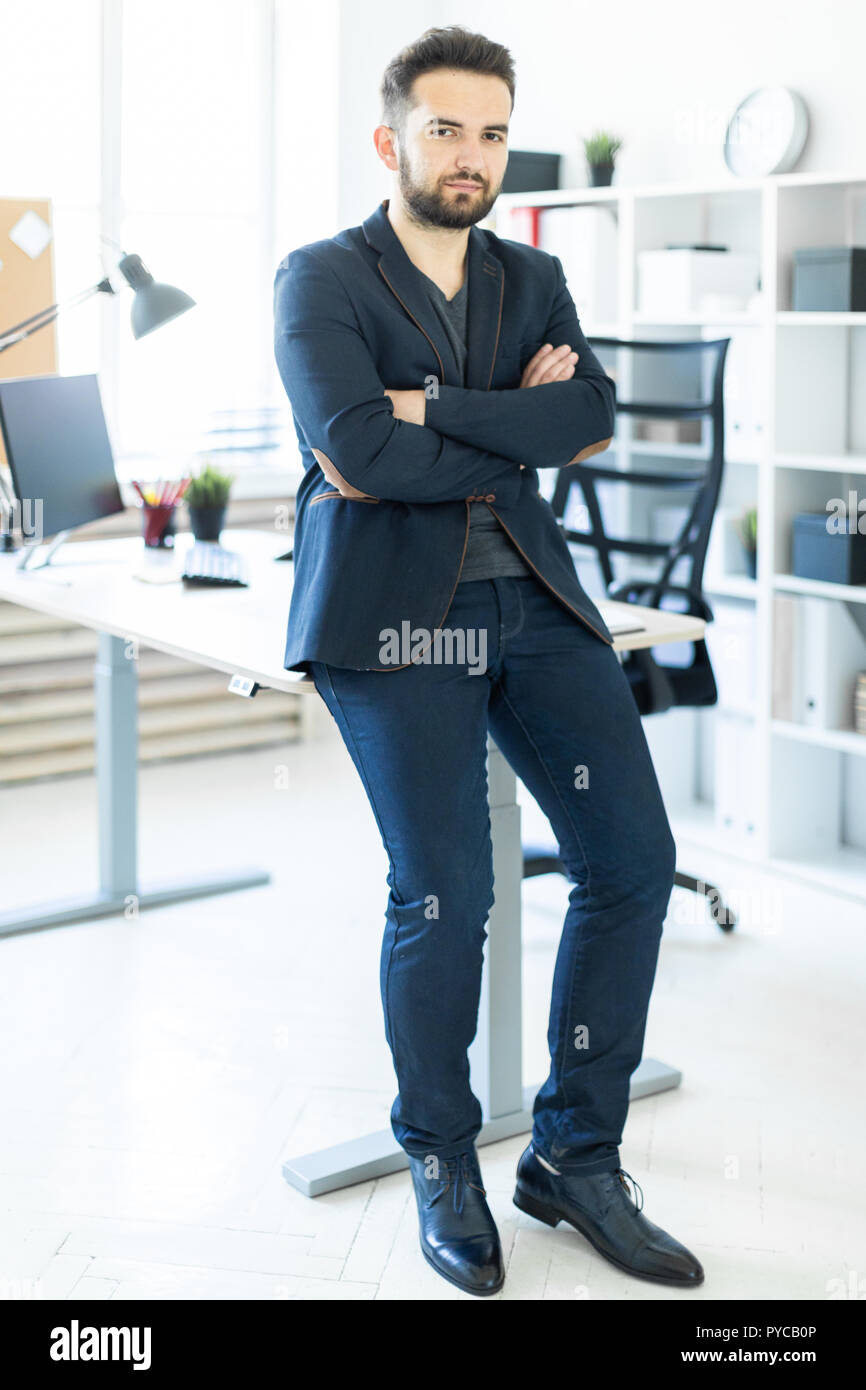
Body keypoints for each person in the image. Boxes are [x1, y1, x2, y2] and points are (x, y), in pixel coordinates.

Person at [273, 23, 704, 1298]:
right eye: (446, 128)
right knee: (445, 893)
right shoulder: (319, 277)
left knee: (632, 863)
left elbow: (585, 417)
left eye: (492, 133)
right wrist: (503, 427)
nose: (471, 157)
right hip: (393, 623)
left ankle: (575, 1153)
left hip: (532, 603)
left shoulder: (529, 275)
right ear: (390, 138)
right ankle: (442, 1151)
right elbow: (356, 454)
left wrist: (441, 411)